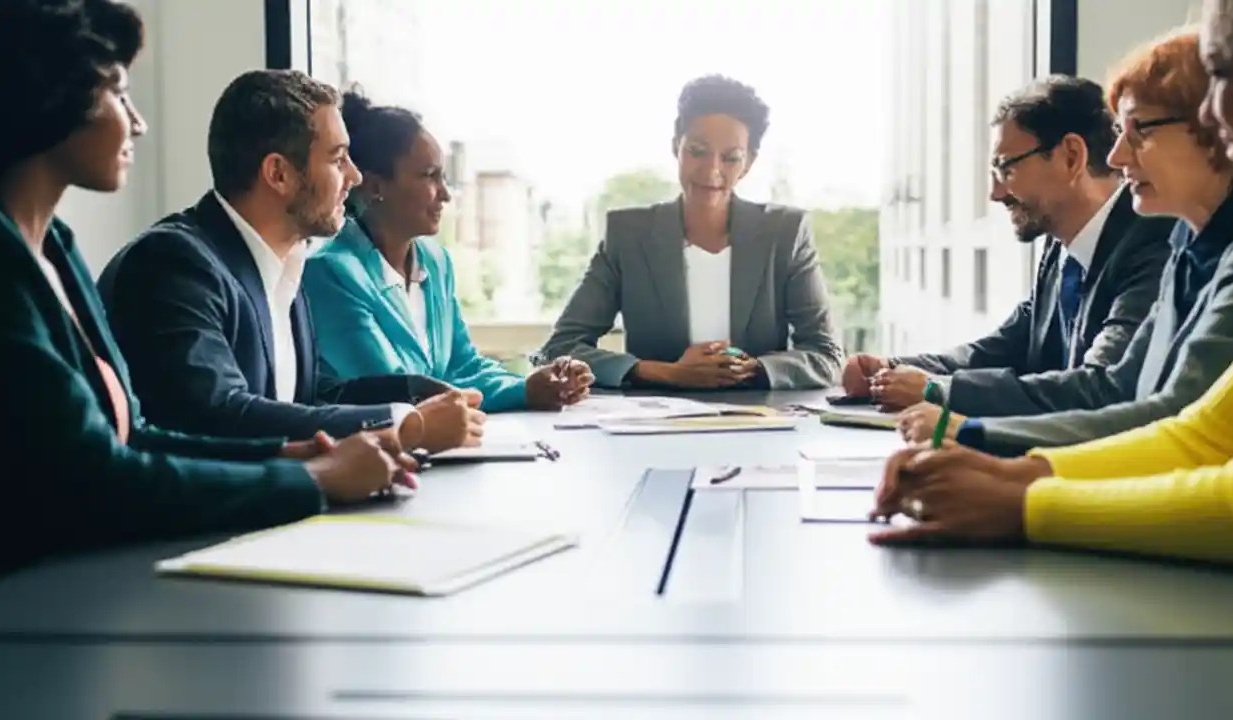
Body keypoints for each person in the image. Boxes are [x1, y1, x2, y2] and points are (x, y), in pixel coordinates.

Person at [0, 0, 416, 574]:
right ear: (53, 97)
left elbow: (135, 435)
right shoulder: (25, 263)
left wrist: (285, 453)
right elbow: (95, 476)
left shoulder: (56, 250)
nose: (136, 122)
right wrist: (309, 478)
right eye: (117, 93)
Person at [870, 2, 1233, 566]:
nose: (1214, 110)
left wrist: (1018, 493)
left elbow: (1159, 417)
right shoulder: (1185, 246)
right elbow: (1197, 431)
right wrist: (1005, 467)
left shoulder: (1185, 244)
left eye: (1224, 75)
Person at [98, 70, 482, 453]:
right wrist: (406, 425)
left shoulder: (286, 266)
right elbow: (219, 414)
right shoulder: (173, 264)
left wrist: (413, 393)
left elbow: (303, 402)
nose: (354, 175)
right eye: (338, 159)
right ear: (279, 174)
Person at [843, 76, 1174, 413]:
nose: (995, 193)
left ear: (1072, 157)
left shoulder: (1154, 244)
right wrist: (890, 368)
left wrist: (937, 391)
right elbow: (1007, 346)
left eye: (1005, 168)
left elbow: (1100, 387)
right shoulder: (1062, 246)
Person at [539, 75, 843, 390]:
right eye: (697, 151)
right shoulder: (629, 235)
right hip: (653, 424)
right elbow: (559, 349)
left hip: (760, 424)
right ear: (676, 147)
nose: (712, 170)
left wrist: (752, 369)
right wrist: (666, 372)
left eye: (730, 158)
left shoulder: (784, 234)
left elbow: (827, 357)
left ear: (748, 162)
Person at [302, 89, 595, 412]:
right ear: (374, 186)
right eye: (429, 176)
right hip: (377, 450)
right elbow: (397, 388)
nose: (445, 194)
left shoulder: (435, 262)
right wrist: (517, 392)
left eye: (444, 177)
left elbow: (463, 366)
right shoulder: (330, 272)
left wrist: (532, 386)